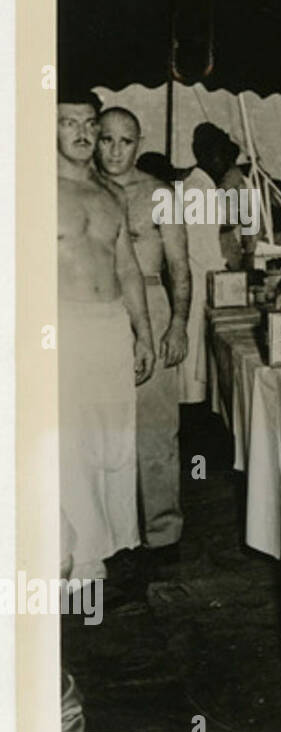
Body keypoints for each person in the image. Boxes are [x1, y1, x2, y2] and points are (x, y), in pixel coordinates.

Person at [57, 87, 154, 582]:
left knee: (111, 440)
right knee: (68, 442)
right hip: (63, 325)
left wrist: (143, 332)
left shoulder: (111, 195)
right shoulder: (33, 190)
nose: (83, 133)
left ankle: (109, 548)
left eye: (89, 123)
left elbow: (130, 270)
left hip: (110, 323)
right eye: (69, 122)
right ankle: (77, 561)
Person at [96, 107, 190, 563]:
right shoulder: (81, 191)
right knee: (102, 428)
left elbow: (180, 267)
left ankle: (163, 537)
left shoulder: (159, 194)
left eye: (125, 141)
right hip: (98, 312)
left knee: (156, 430)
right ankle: (113, 538)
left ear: (138, 143)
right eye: (107, 139)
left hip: (152, 301)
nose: (115, 150)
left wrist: (178, 324)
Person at [178, 123, 239, 405]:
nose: (225, 164)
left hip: (200, 282)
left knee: (197, 370)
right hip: (199, 284)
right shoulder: (198, 191)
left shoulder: (200, 187)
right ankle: (196, 427)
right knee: (193, 376)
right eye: (222, 157)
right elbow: (206, 253)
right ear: (204, 155)